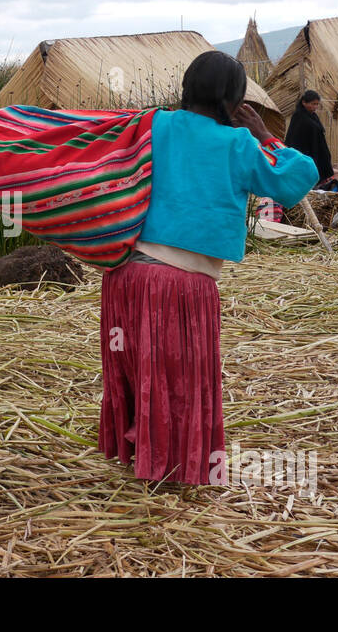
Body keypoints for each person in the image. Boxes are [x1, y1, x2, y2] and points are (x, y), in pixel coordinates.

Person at [98, 51, 318, 485]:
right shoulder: (237, 144)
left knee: (138, 367)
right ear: (232, 98)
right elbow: (296, 180)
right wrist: (264, 136)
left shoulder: (153, 124)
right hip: (178, 283)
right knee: (178, 375)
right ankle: (168, 466)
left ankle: (138, 453)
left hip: (124, 277)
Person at [284, 89, 334, 186]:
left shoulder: (312, 116)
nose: (315, 107)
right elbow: (295, 138)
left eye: (317, 104)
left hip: (315, 147)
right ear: (304, 102)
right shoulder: (299, 116)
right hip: (305, 150)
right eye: (313, 104)